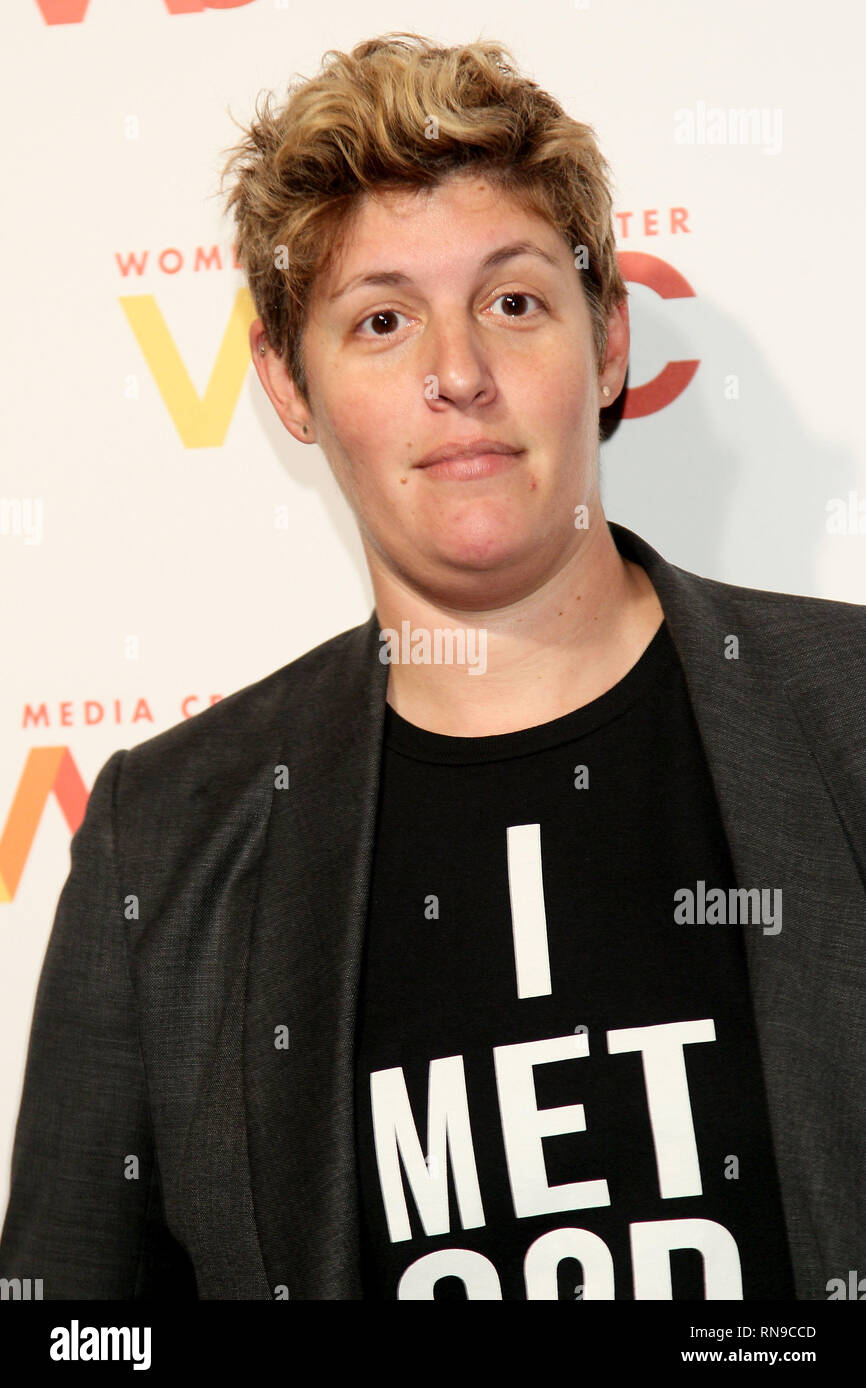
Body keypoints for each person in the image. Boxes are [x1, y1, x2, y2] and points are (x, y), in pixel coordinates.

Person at [1, 30, 865, 1302]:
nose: (456, 375)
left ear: (609, 341)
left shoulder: (844, 714)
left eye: (513, 301)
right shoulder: (167, 838)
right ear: (290, 390)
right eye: (381, 320)